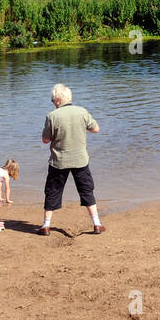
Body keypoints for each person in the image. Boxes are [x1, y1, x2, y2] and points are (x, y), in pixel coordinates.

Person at [38, 84, 103, 235]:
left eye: (53, 99)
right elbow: (95, 129)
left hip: (59, 161)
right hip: (80, 159)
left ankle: (46, 226)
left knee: (52, 191)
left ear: (58, 100)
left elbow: (45, 140)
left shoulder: (52, 116)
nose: (52, 102)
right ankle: (97, 224)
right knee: (87, 190)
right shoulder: (82, 112)